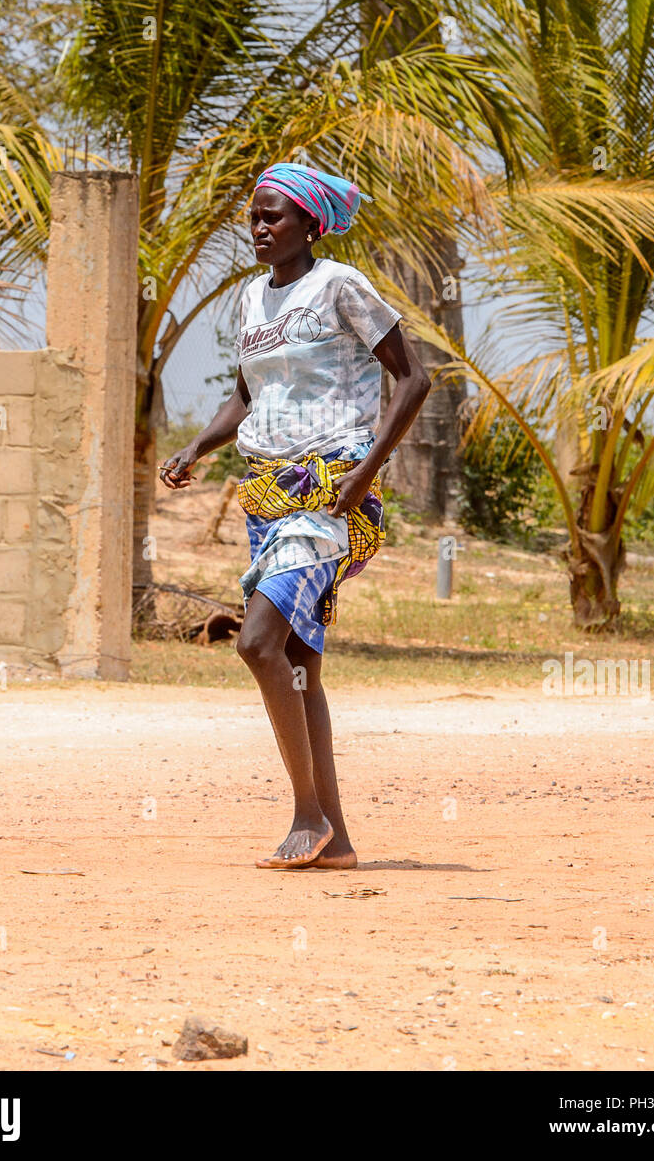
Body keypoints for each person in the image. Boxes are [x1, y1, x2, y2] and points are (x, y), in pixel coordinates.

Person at [159, 162, 431, 869]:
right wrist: (195, 445)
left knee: (256, 643)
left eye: (273, 216)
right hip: (269, 499)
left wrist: (365, 473)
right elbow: (246, 397)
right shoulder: (252, 299)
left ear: (310, 224)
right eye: (252, 216)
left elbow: (414, 378)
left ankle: (306, 814)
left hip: (330, 494)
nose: (258, 228)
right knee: (299, 659)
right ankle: (334, 838)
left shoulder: (339, 285)